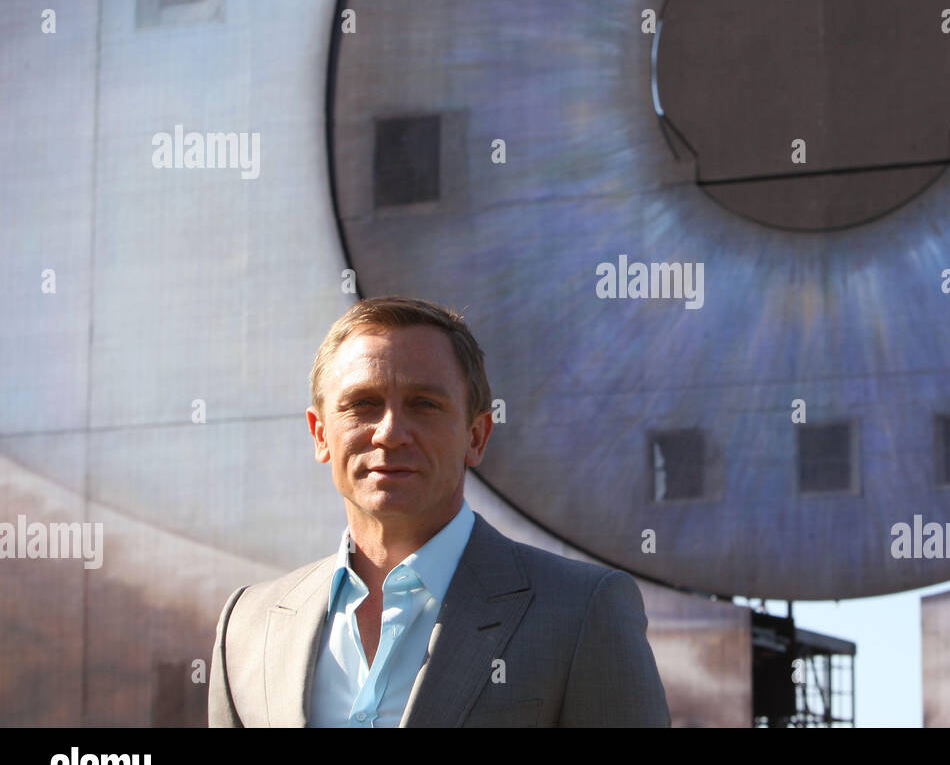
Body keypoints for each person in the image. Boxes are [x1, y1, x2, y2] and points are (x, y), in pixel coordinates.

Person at [208, 295, 670, 727]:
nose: (390, 433)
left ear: (476, 436)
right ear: (320, 434)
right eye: (362, 404)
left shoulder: (581, 610)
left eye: (424, 404)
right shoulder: (247, 624)